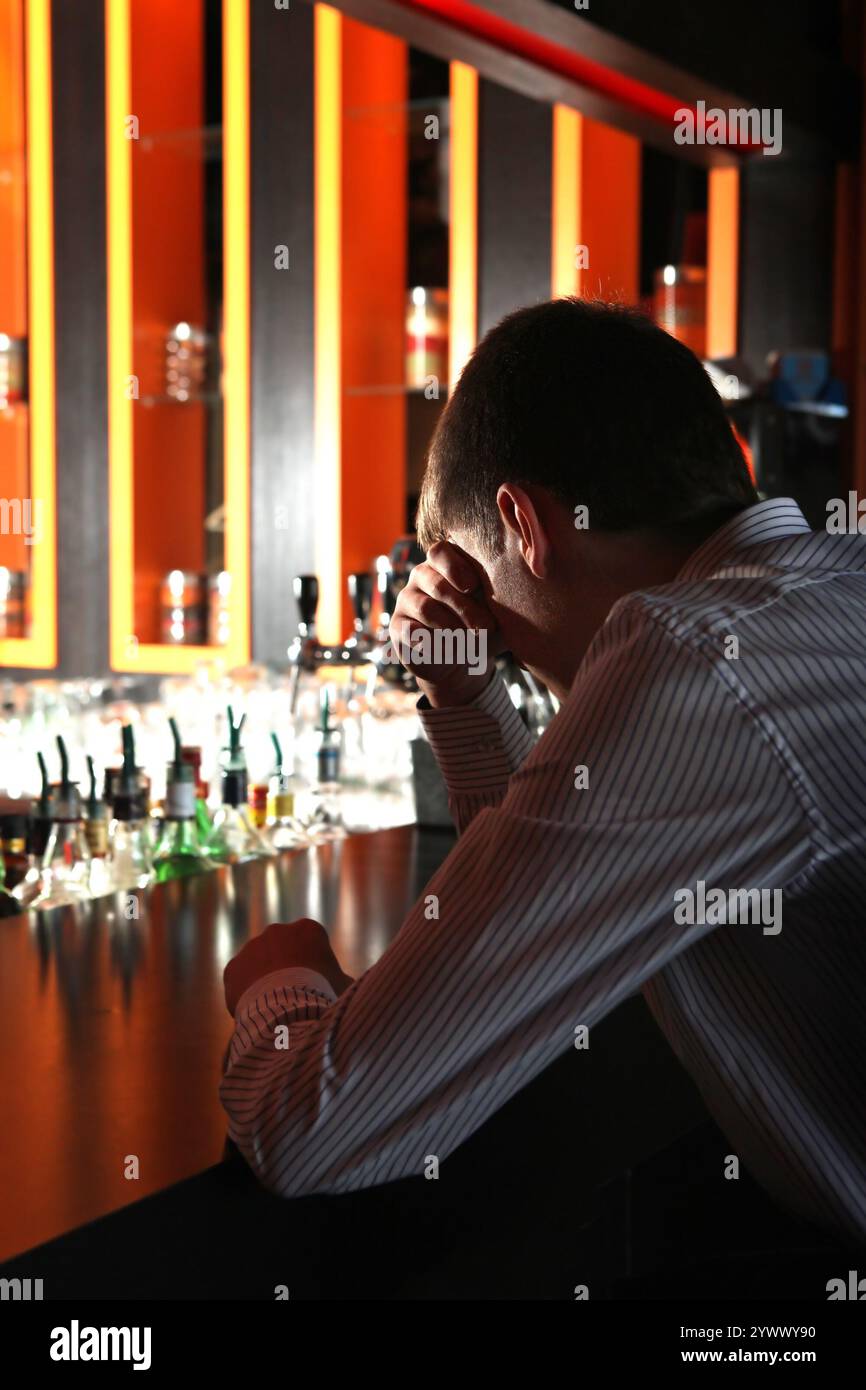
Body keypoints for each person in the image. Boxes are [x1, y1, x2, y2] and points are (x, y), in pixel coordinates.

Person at [220, 298, 866, 1245]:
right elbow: (556, 890)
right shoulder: (827, 588)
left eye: (472, 584)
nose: (495, 637)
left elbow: (312, 1129)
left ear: (524, 524)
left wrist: (282, 987)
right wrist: (471, 694)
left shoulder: (690, 656)